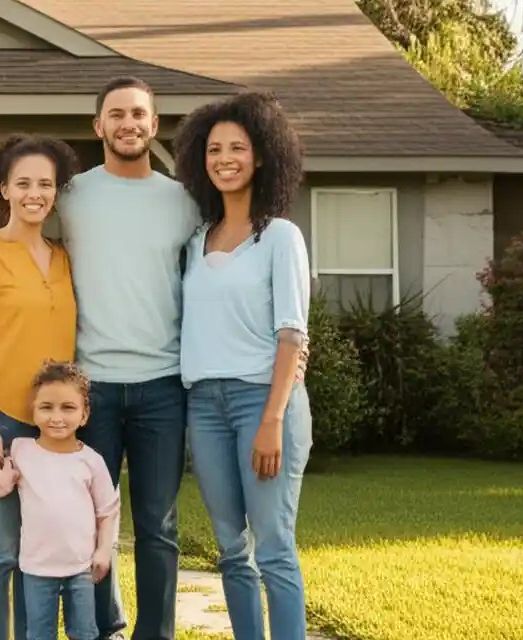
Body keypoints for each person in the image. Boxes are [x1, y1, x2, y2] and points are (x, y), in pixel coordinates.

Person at [0, 77, 198, 640]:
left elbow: (224, 257)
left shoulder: (181, 200)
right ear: (98, 126)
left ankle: (154, 634)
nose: (128, 123)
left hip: (161, 385)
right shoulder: (73, 195)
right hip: (88, 394)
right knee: (71, 521)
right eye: (116, 113)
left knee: (156, 525)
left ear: (155, 125)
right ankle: (100, 624)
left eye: (139, 114)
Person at [172, 90, 313, 640]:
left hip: (264, 402)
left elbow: (292, 334)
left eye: (238, 147)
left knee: (273, 548)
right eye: (213, 149)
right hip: (203, 406)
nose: (224, 158)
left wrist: (273, 419)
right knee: (231, 547)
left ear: (261, 157)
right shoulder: (194, 241)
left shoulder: (280, 237)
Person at [0, 132, 81, 640]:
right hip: (0, 420)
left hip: (54, 429)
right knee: (1, 548)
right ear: (2, 189)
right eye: (23, 182)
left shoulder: (66, 258)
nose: (35, 193)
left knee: (41, 552)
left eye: (45, 184)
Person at [0, 360, 121, 640]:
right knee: (40, 634)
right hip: (36, 569)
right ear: (33, 410)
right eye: (47, 407)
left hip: (81, 568)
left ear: (84, 414)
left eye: (68, 408)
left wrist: (104, 551)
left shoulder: (91, 461)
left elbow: (107, 511)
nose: (57, 417)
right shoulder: (21, 450)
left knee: (84, 633)